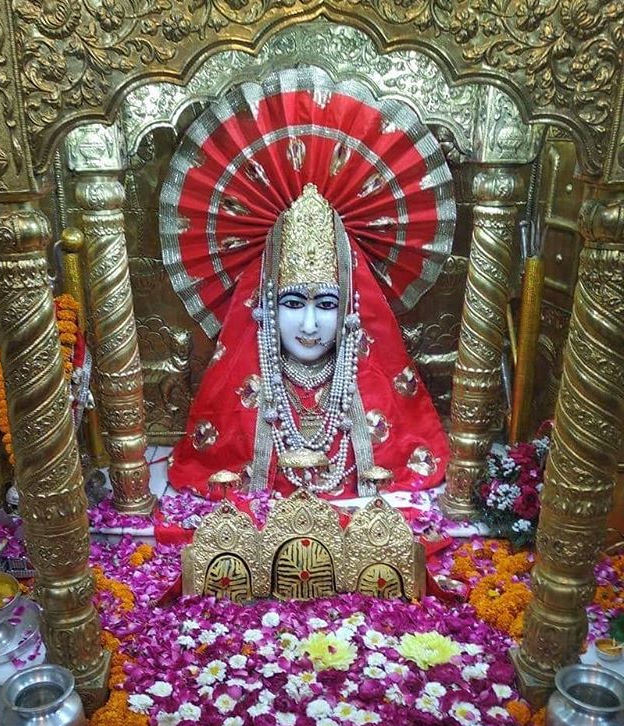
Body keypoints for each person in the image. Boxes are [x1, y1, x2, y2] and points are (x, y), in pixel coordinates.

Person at [161, 68, 454, 498]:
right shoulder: (238, 397)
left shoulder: (374, 386)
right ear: (265, 306)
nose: (311, 326)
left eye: (328, 305)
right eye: (294, 303)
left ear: (352, 309)